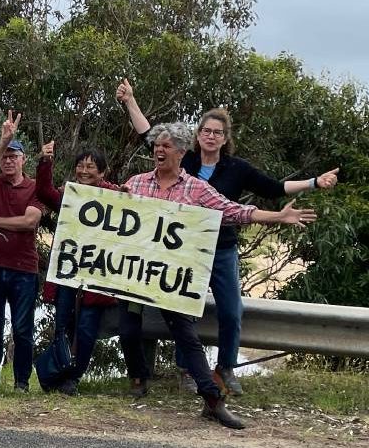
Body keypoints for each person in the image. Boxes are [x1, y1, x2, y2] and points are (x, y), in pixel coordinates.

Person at [117, 78, 338, 395]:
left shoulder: (236, 169)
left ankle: (226, 368)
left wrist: (314, 183)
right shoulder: (184, 161)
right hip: (186, 253)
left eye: (217, 133)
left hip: (221, 249)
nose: (210, 136)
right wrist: (130, 101)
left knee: (232, 311)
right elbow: (148, 136)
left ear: (225, 139)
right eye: (205, 131)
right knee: (185, 311)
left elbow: (270, 191)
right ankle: (188, 371)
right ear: (196, 136)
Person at [32, 141, 119, 395]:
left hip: (96, 275)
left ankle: (74, 378)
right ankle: (57, 373)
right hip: (68, 273)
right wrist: (45, 162)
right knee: (63, 324)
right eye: (80, 165)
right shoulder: (69, 196)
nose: (84, 171)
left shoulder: (113, 197)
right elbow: (45, 192)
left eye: (90, 167)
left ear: (102, 172)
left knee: (87, 327)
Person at [0, 110, 47, 393]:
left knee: (22, 329)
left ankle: (21, 382)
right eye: (5, 156)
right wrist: (3, 140)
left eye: (13, 156)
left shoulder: (35, 188)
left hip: (24, 268)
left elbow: (29, 221)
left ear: (23, 160)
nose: (8, 161)